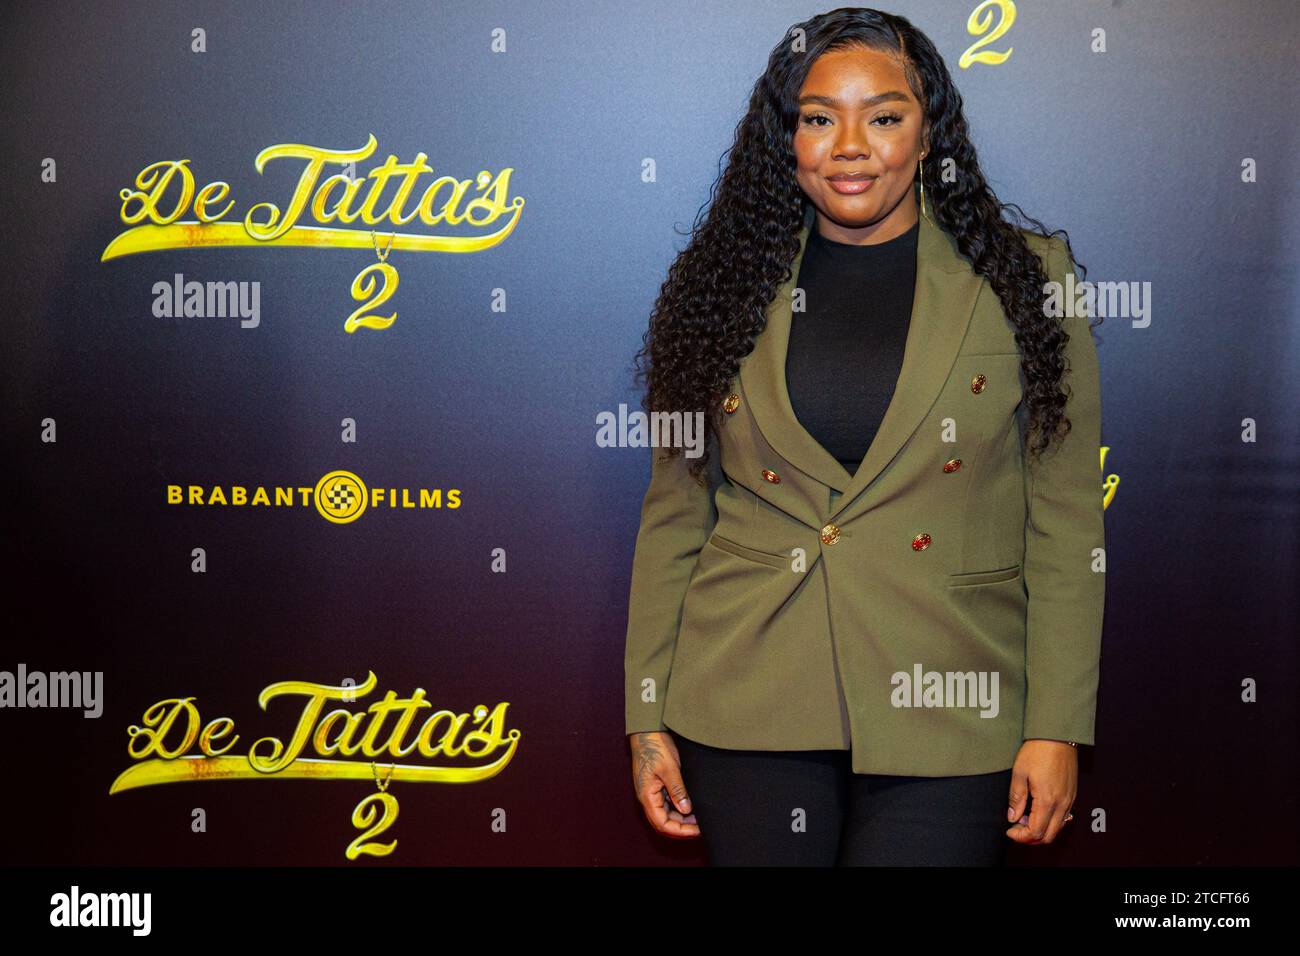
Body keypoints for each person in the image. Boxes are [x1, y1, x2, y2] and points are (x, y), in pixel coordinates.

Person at [624, 7, 1105, 865]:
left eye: (883, 116)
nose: (851, 145)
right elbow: (675, 517)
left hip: (954, 704)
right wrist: (647, 714)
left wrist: (1056, 726)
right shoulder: (720, 284)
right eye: (819, 118)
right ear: (788, 139)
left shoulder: (1031, 279)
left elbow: (1066, 521)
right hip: (744, 699)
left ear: (928, 135)